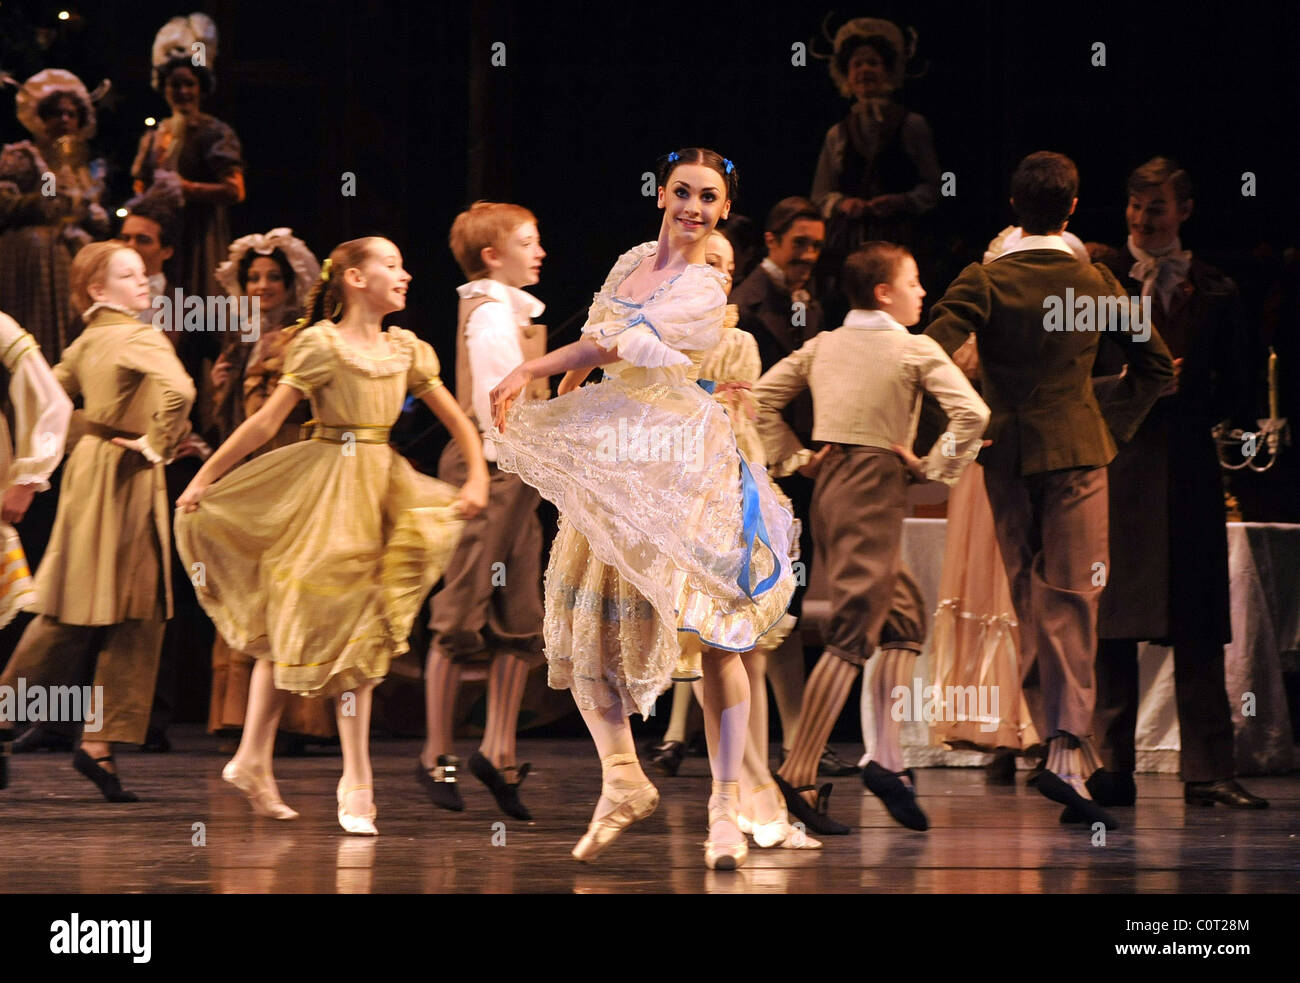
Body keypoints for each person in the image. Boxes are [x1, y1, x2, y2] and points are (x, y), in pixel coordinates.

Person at [489, 148, 797, 869]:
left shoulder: (703, 283)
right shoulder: (632, 260)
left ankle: (725, 807)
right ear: (662, 193)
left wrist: (536, 367)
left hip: (682, 457)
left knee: (716, 631)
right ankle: (622, 776)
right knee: (587, 616)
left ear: (723, 210)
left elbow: (618, 340)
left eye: (709, 198)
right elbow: (600, 343)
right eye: (683, 192)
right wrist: (570, 396)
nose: (693, 206)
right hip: (618, 458)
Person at [175, 236, 487, 835]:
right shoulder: (319, 345)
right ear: (353, 279)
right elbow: (266, 420)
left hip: (380, 489)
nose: (404, 274)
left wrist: (474, 475)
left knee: (352, 633)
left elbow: (458, 420)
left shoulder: (406, 351)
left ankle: (263, 762)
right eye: (390, 266)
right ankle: (336, 777)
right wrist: (206, 478)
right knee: (301, 622)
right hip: (321, 490)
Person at [925, 151, 1173, 831]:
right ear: (1071, 206)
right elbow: (1154, 367)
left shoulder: (987, 278)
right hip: (1074, 456)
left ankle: (1059, 743)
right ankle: (1065, 749)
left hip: (1006, 458)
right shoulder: (1091, 281)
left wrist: (965, 428)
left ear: (1015, 207)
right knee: (1072, 599)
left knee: (1034, 598)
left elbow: (926, 356)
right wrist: (1106, 426)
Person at [756, 242, 988, 834]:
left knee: (904, 619)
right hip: (873, 482)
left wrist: (798, 457)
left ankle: (885, 760)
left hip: (835, 484)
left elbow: (761, 399)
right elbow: (973, 414)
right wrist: (934, 467)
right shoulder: (912, 348)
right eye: (913, 282)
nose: (922, 293)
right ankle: (797, 771)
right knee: (855, 628)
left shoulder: (824, 343)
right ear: (884, 292)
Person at [1088, 158, 1267, 811]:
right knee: (1109, 621)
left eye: (1156, 207)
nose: (1142, 218)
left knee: (1197, 618)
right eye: (1135, 206)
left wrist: (1207, 398)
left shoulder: (1215, 288)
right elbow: (1070, 383)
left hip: (1188, 466)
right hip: (1116, 461)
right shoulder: (1094, 283)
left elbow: (1241, 388)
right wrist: (1135, 386)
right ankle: (1110, 765)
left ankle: (1208, 768)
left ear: (1184, 210)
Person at [0, 242, 195, 801]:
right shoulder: (138, 336)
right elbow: (182, 390)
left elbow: (46, 400)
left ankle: (46, 724)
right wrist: (157, 441)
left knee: (72, 607)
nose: (142, 283)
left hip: (87, 475)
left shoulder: (86, 341)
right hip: (127, 476)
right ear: (96, 290)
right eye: (128, 275)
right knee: (138, 611)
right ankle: (95, 738)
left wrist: (82, 432)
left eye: (142, 273)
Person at [658, 231, 821, 849]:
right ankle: (745, 797)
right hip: (688, 491)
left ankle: (757, 798)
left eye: (730, 264)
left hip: (740, 491)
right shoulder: (665, 332)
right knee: (719, 648)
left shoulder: (741, 340)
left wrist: (781, 476)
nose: (723, 273)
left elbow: (749, 423)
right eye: (711, 261)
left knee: (749, 645)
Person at [418, 202, 549, 820]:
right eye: (529, 242)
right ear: (493, 256)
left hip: (519, 477)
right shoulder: (491, 315)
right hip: (491, 470)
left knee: (520, 617)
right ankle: (435, 753)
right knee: (460, 612)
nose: (540, 251)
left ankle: (498, 751)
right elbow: (499, 404)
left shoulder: (512, 312)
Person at [727, 196, 856, 779]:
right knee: (765, 604)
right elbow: (750, 400)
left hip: (804, 463)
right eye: (799, 244)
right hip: (765, 466)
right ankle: (765, 751)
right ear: (774, 241)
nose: (809, 255)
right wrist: (795, 456)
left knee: (788, 604)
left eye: (815, 245)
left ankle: (794, 741)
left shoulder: (809, 300)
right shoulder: (747, 304)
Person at [203, 229, 333, 750]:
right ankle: (238, 716)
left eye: (272, 278)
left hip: (289, 463)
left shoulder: (305, 337)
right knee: (247, 582)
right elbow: (231, 419)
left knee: (292, 582)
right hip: (247, 469)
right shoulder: (239, 339)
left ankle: (298, 721)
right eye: (253, 278)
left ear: (291, 281)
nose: (262, 286)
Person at [132, 13, 245, 439]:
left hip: (202, 239)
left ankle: (212, 424)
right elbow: (141, 181)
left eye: (188, 84)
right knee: (165, 324)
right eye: (173, 84)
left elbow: (235, 189)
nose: (181, 91)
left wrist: (187, 187)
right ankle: (168, 425)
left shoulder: (213, 131)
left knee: (203, 319)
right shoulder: (155, 134)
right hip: (166, 242)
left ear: (200, 88)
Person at [811, 17, 940, 326]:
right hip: (852, 243)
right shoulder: (837, 133)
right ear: (847, 75)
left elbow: (935, 186)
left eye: (873, 63)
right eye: (857, 65)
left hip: (902, 238)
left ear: (889, 71)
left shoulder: (912, 125)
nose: (864, 71)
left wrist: (903, 201)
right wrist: (843, 203)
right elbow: (820, 193)